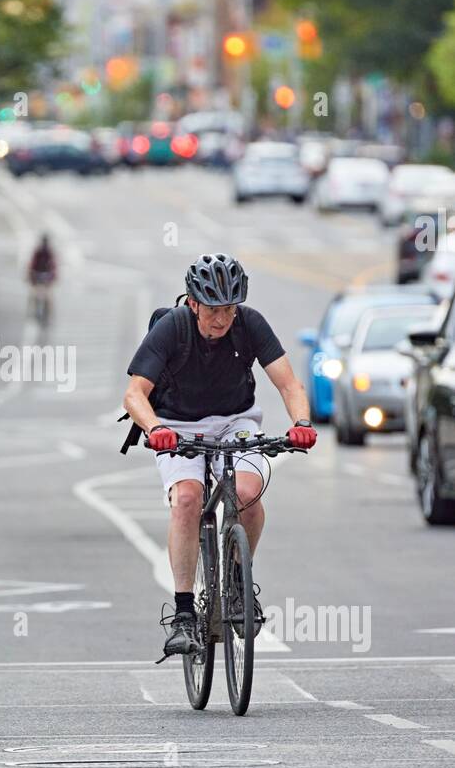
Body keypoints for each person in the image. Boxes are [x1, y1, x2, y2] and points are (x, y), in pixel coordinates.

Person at [122, 252, 317, 659]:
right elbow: (135, 393)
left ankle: (238, 582)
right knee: (189, 498)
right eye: (213, 309)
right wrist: (156, 429)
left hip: (236, 420)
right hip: (177, 427)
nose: (222, 319)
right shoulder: (172, 328)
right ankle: (183, 616)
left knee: (247, 491)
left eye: (229, 308)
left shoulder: (250, 324)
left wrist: (300, 422)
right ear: (193, 303)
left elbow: (289, 383)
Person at [27, 233, 57, 323]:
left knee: (48, 297)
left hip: (47, 277)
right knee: (33, 294)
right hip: (38, 276)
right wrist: (31, 275)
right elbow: (32, 265)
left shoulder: (50, 253)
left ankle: (49, 314)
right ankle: (31, 311)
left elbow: (53, 267)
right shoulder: (38, 252)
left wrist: (53, 277)